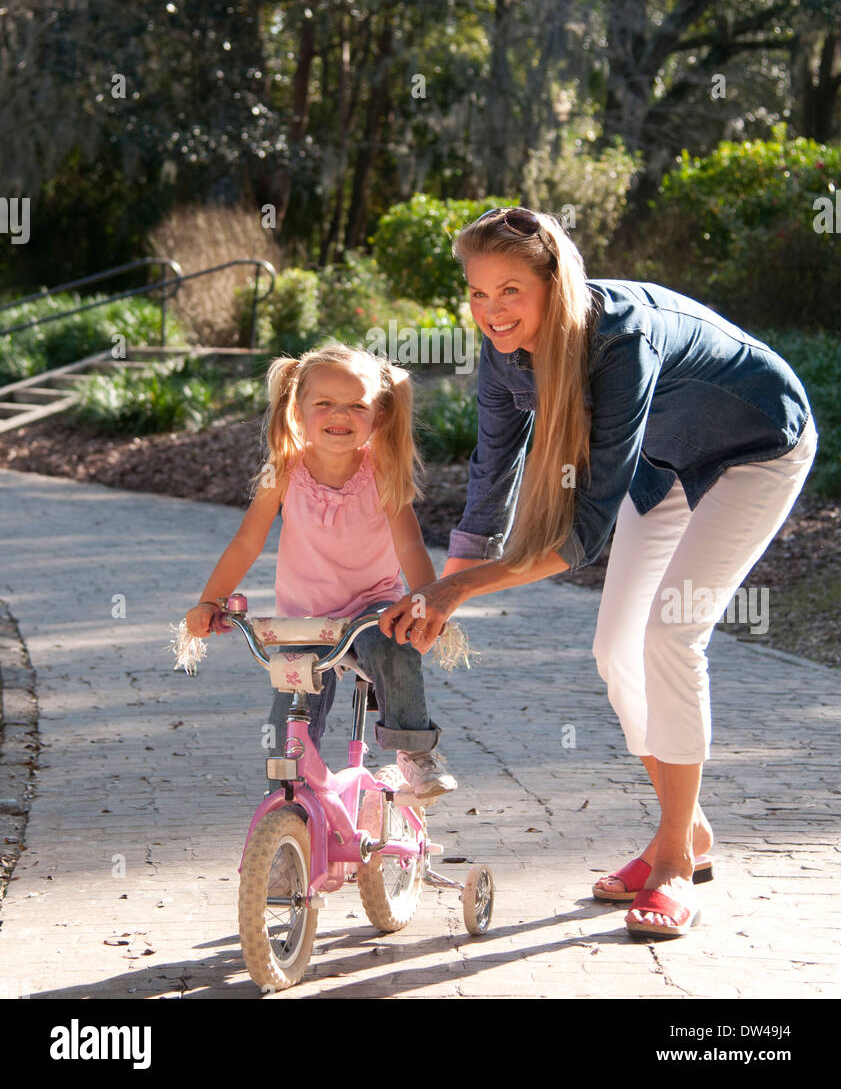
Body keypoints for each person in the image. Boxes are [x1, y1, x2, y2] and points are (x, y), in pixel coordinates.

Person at [379, 207, 816, 938]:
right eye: (478, 293)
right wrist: (439, 600)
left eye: (510, 291)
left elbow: (580, 538)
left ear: (555, 282)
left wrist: (455, 588)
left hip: (754, 450)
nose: (491, 312)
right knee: (615, 650)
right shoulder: (501, 352)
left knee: (670, 634)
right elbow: (489, 485)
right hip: (664, 470)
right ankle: (687, 830)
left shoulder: (619, 341)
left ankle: (675, 864)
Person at [186, 342, 456, 800]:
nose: (340, 414)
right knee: (291, 712)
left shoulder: (384, 472)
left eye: (357, 405)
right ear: (298, 408)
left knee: (395, 648)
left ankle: (413, 751)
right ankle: (286, 800)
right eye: (325, 403)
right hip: (305, 620)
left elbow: (409, 543)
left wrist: (427, 602)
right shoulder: (284, 471)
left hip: (373, 610)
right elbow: (247, 541)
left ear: (380, 416)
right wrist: (211, 600)